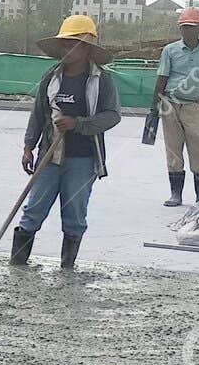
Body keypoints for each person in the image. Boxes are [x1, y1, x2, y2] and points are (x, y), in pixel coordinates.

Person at [11, 14, 120, 271]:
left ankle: (67, 268)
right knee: (33, 210)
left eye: (72, 44)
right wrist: (28, 146)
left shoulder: (100, 80)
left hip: (82, 159)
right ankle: (17, 263)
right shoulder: (52, 77)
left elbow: (112, 116)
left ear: (86, 49)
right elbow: (38, 113)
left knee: (74, 216)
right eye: (63, 44)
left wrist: (78, 124)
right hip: (50, 155)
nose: (66, 49)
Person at [152, 8, 199, 206]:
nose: (187, 31)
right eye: (184, 27)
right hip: (170, 102)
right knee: (173, 148)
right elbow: (162, 77)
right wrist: (155, 106)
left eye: (192, 27)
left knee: (198, 145)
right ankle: (175, 194)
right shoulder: (170, 50)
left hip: (193, 104)